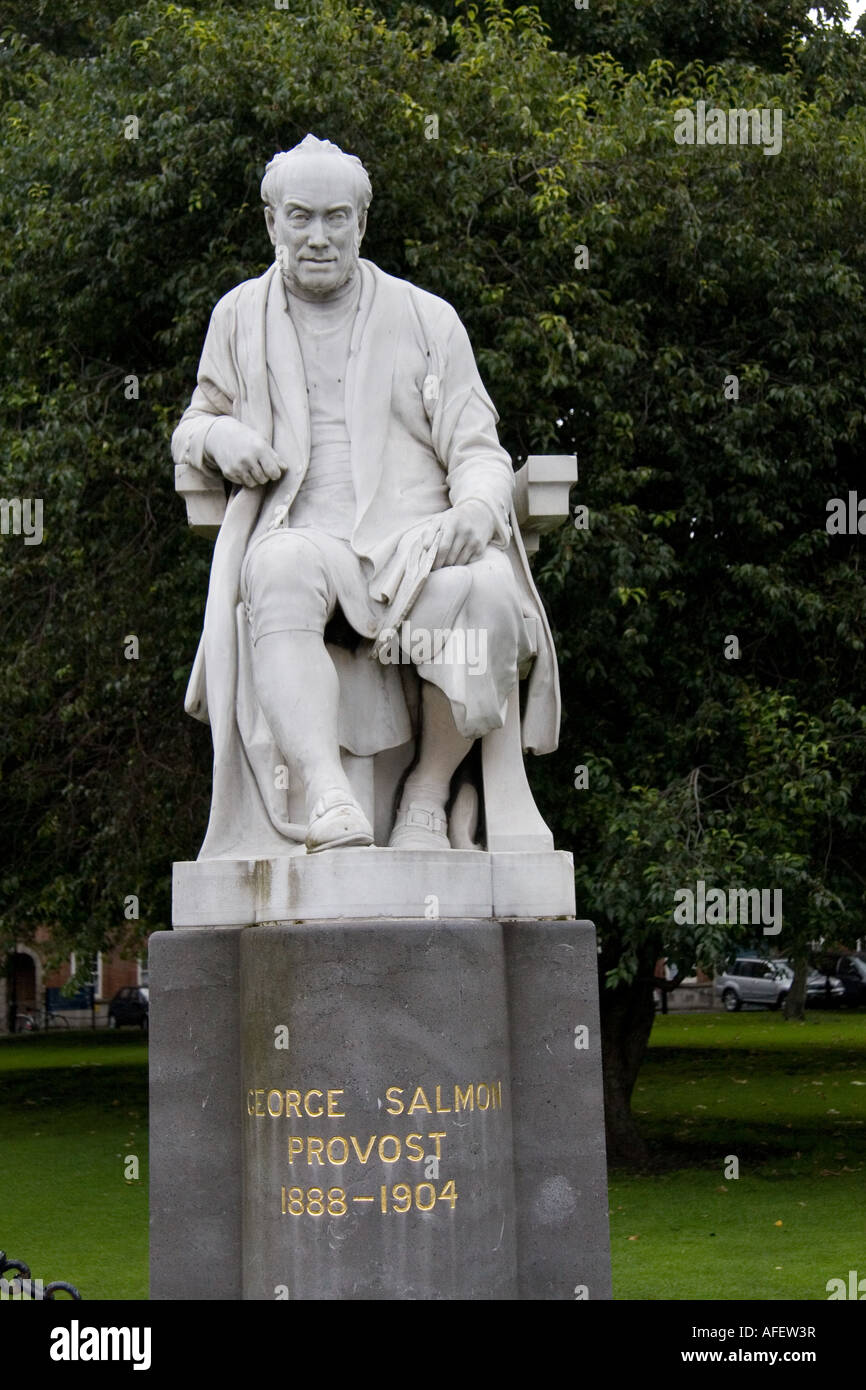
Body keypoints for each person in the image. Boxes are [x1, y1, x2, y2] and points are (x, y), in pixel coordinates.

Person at [173, 135, 559, 858]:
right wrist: (220, 440)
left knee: (487, 590)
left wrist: (477, 510)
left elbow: (476, 447)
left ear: (361, 223)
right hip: (304, 535)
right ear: (271, 223)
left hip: (415, 541)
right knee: (278, 572)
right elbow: (193, 424)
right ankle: (328, 799)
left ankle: (426, 793)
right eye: (300, 217)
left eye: (335, 218)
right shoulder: (238, 316)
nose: (318, 237)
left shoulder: (427, 319)